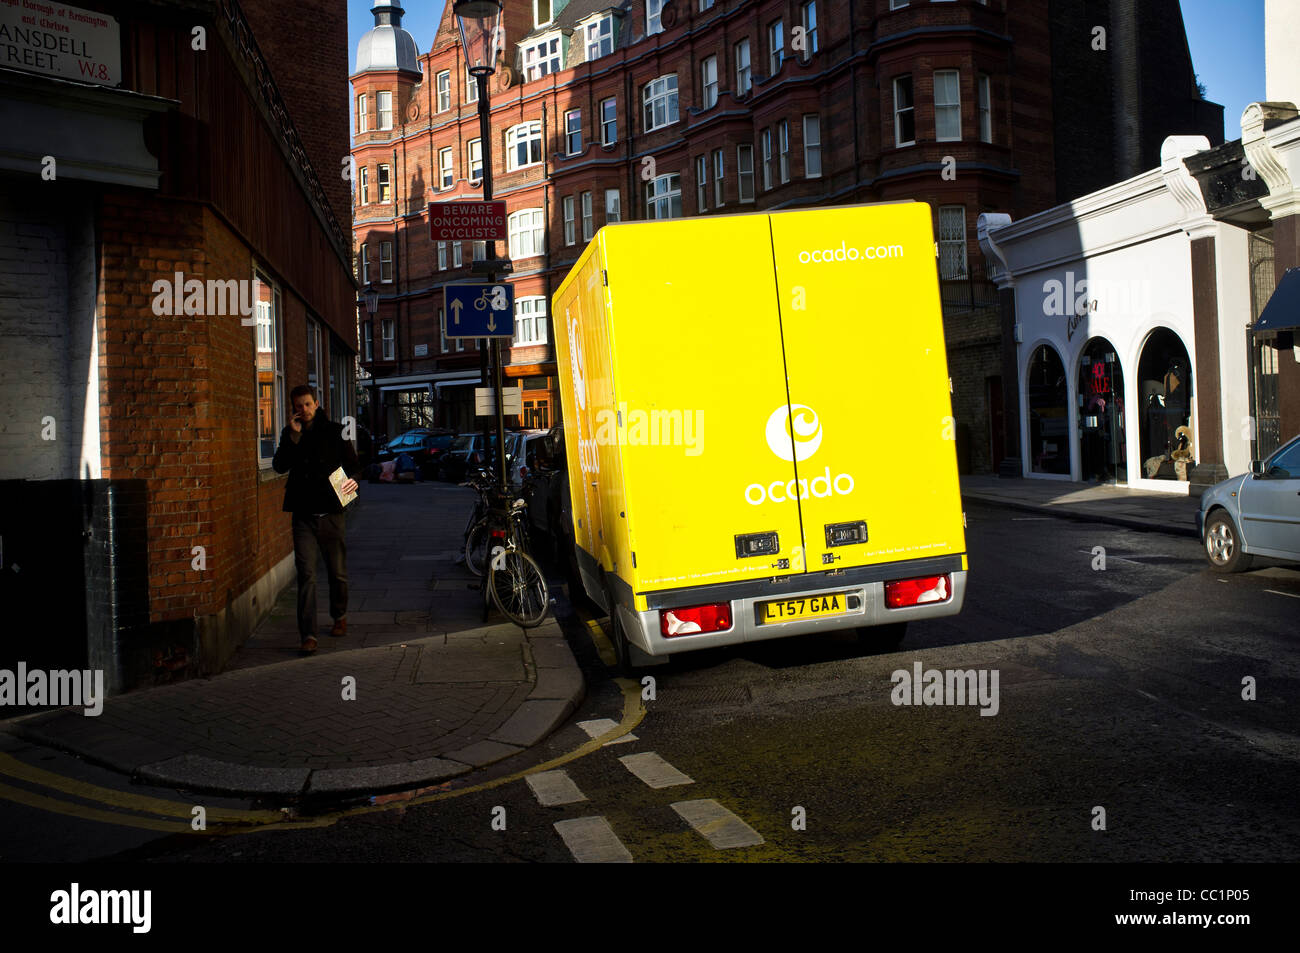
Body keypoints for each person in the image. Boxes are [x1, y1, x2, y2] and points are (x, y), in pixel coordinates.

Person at [272, 385, 360, 653]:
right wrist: (293, 439)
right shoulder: (291, 435)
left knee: (337, 573)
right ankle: (308, 635)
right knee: (307, 575)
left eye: (308, 404)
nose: (304, 410)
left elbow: (353, 466)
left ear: (317, 403)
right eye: (299, 406)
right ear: (293, 409)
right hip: (303, 517)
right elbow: (279, 466)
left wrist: (346, 492)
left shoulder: (334, 431)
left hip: (331, 513)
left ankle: (339, 615)